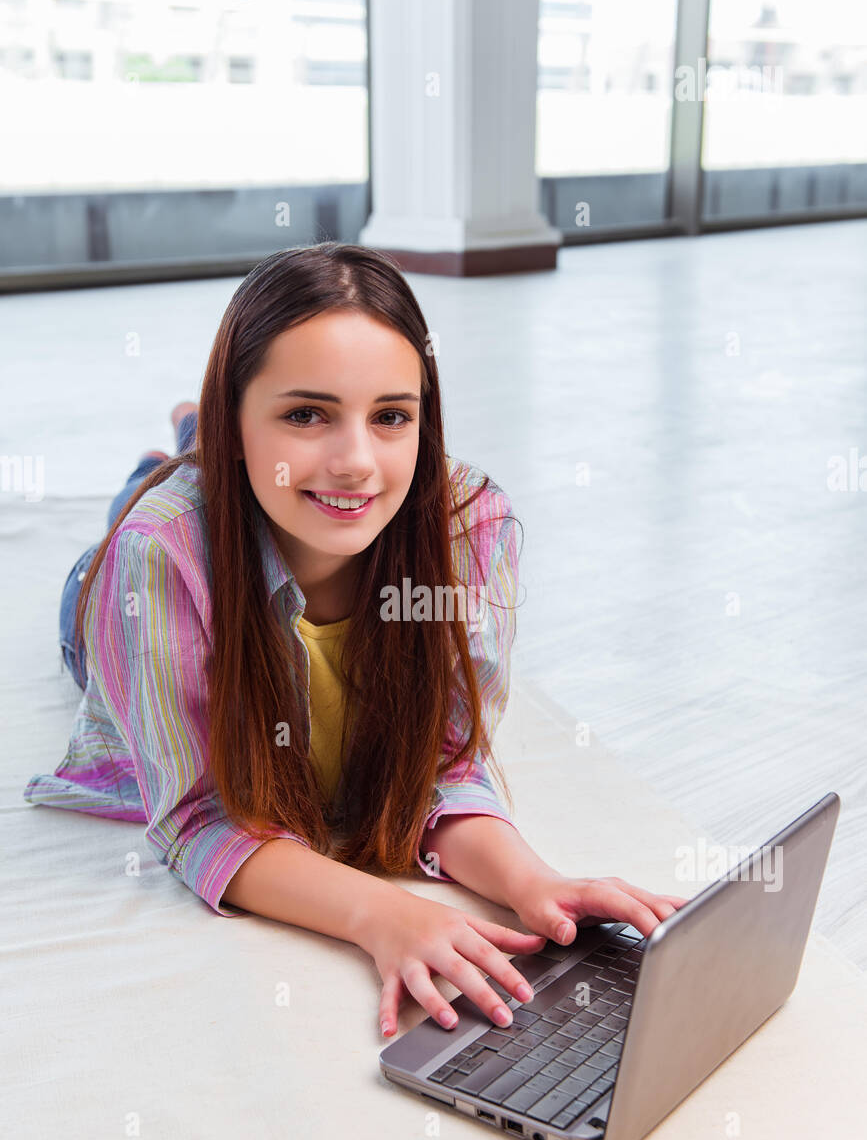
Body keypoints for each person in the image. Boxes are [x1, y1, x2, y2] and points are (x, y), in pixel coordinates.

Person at [23, 242, 685, 1040]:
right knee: (139, 505)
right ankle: (171, 454)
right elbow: (199, 820)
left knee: (246, 482)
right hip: (126, 591)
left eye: (391, 416)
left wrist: (530, 880)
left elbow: (442, 767)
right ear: (243, 420)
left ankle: (191, 439)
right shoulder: (157, 558)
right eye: (306, 414)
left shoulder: (467, 528)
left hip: (244, 480)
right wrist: (384, 914)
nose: (356, 464)